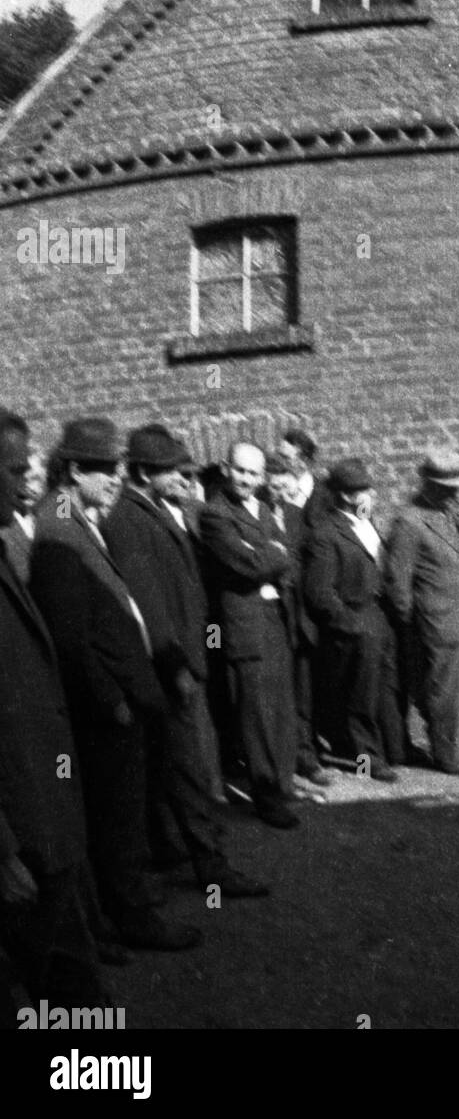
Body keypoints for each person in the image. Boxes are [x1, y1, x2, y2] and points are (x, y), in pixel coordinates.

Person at [30, 417, 200, 952]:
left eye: (119, 468)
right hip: (111, 708)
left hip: (127, 696)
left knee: (126, 810)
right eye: (104, 469)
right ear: (74, 469)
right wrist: (112, 700)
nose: (115, 478)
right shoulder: (59, 525)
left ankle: (118, 912)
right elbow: (70, 636)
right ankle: (135, 917)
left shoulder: (74, 515)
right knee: (119, 817)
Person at [102, 425, 267, 898]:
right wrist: (175, 665)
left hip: (183, 659)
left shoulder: (154, 509)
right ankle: (211, 865)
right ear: (143, 472)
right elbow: (149, 603)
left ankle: (169, 847)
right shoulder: (128, 519)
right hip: (168, 666)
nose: (183, 475)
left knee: (169, 765)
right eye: (172, 470)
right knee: (188, 767)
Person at [0, 410, 109, 1025]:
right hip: (23, 837)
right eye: (16, 469)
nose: (29, 483)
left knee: (71, 989)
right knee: (65, 991)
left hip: (43, 818)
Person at [200, 443, 300, 829]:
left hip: (275, 618)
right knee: (255, 713)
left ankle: (284, 783)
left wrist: (270, 556)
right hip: (244, 627)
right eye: (241, 471)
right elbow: (246, 564)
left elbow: (285, 554)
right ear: (227, 469)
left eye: (255, 474)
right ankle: (266, 796)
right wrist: (269, 555)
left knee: (280, 706)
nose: (247, 480)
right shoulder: (214, 515)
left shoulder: (263, 509)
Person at [387, 450, 459, 776]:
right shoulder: (410, 523)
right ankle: (446, 755)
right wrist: (415, 624)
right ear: (430, 485)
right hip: (438, 623)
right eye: (449, 487)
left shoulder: (446, 513)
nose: (457, 493)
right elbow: (398, 583)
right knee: (443, 693)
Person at [304, 459, 403, 783]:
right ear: (344, 496)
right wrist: (354, 627)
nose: (369, 495)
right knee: (359, 699)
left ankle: (394, 750)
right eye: (361, 490)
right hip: (357, 624)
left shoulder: (368, 523)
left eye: (368, 489)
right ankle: (365, 763)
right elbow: (320, 594)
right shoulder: (326, 534)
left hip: (381, 618)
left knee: (386, 690)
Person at [266, 460, 332, 788]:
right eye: (273, 486)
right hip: (271, 620)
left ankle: (307, 757)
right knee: (279, 692)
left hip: (300, 620)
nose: (278, 492)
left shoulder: (298, 518)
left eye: (285, 486)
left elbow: (311, 565)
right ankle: (282, 759)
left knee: (304, 692)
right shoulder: (258, 516)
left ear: (294, 486)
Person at [0, 446, 45, 584]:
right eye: (23, 479)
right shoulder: (5, 526)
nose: (30, 487)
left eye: (36, 479)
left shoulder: (49, 515)